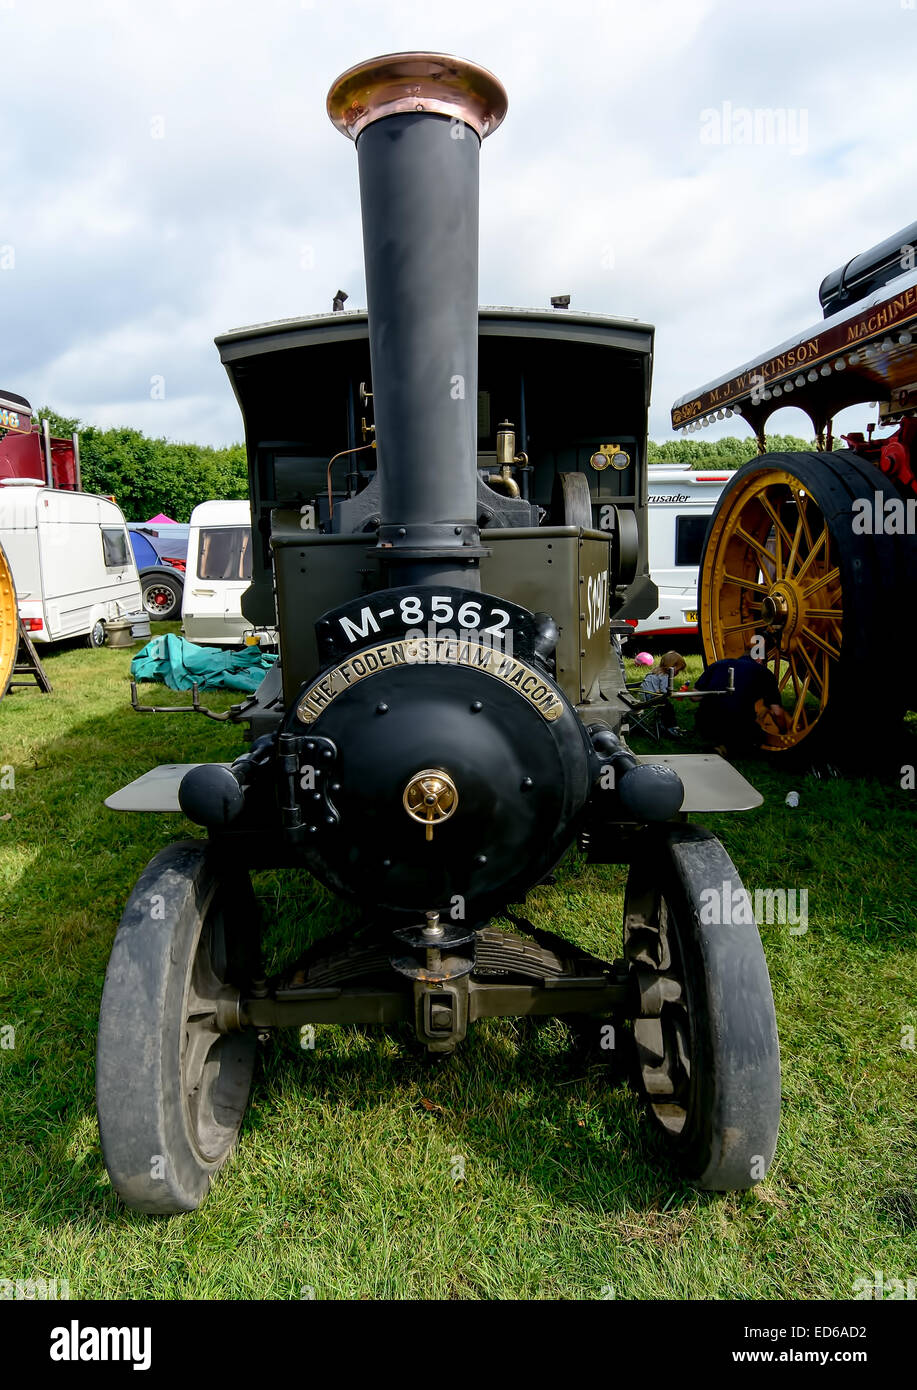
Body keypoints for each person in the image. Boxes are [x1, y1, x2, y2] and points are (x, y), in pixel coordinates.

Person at [694, 645, 788, 754]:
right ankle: (726, 748)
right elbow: (777, 712)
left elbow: (694, 697)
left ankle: (711, 740)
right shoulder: (764, 672)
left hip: (705, 721)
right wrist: (783, 732)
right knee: (758, 736)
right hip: (736, 724)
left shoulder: (718, 664)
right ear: (759, 659)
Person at [640, 650, 686, 738]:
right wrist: (676, 694)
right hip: (653, 698)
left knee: (665, 706)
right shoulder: (665, 675)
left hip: (645, 695)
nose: (678, 673)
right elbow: (666, 692)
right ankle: (671, 727)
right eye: (678, 670)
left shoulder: (656, 671)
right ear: (672, 667)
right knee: (668, 707)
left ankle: (662, 724)